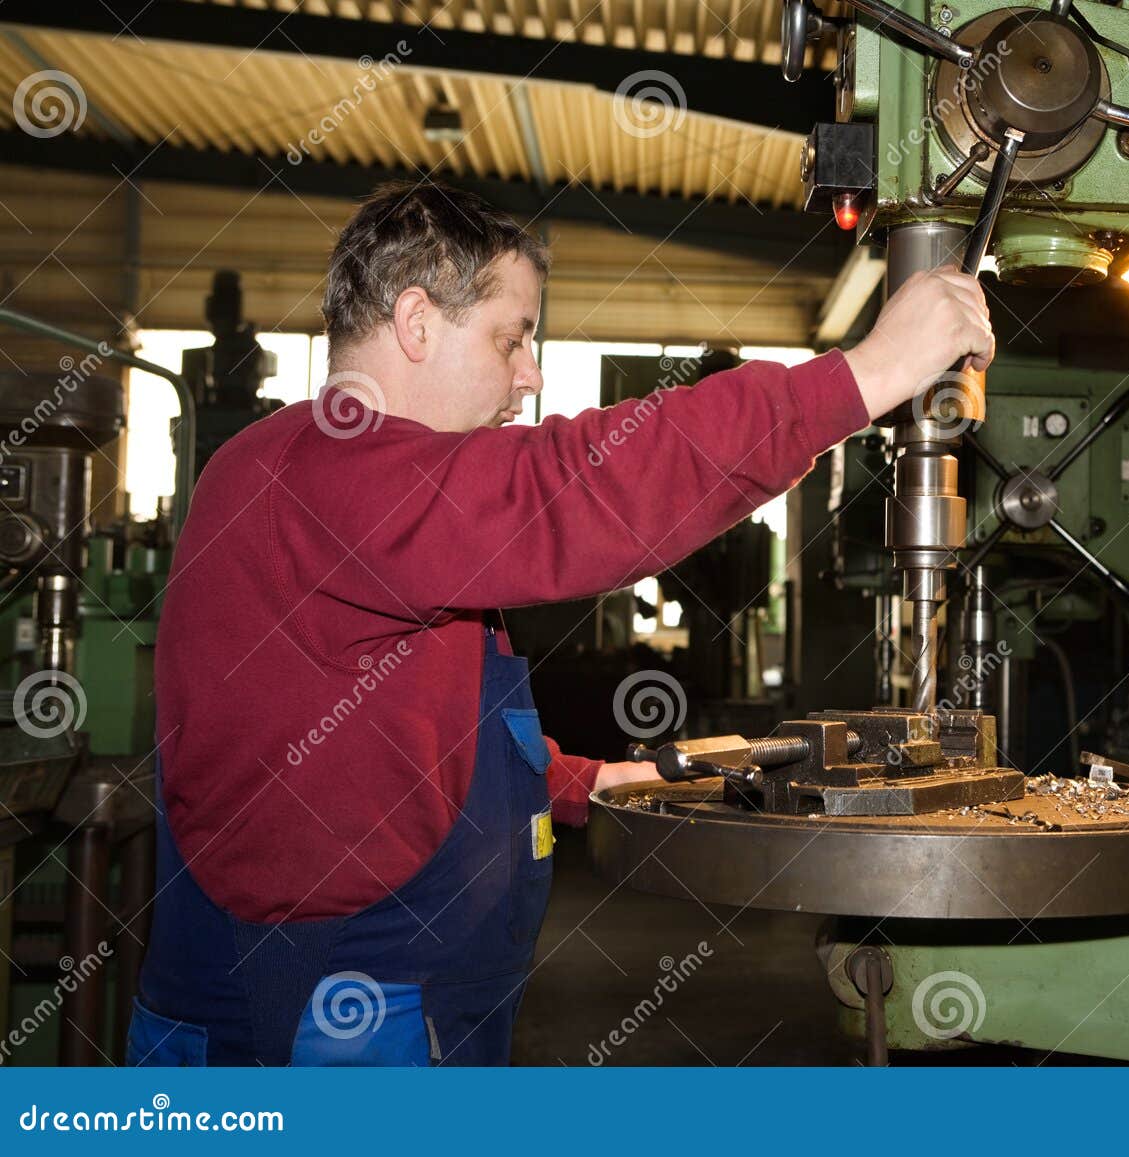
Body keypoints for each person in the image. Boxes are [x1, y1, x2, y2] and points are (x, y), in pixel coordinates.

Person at [128, 182, 994, 1066]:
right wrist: (871, 372)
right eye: (513, 338)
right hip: (312, 1026)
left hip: (409, 1003)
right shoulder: (314, 471)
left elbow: (404, 739)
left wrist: (589, 779)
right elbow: (575, 485)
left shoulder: (380, 499)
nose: (532, 373)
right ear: (417, 322)